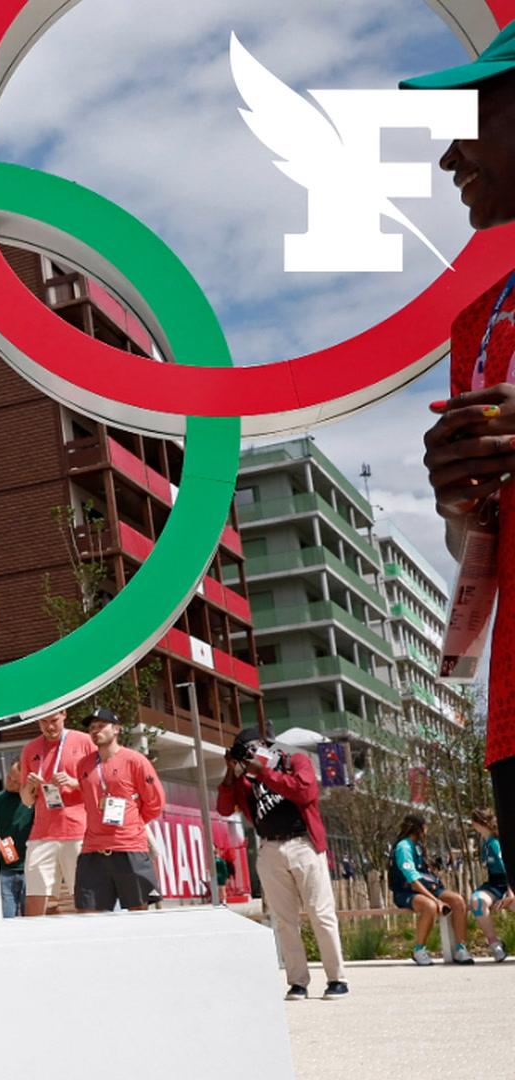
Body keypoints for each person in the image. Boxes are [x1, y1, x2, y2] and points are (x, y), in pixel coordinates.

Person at [407, 32, 515, 861]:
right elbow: (476, 538)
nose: (448, 155)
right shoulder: (476, 322)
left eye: (472, 115)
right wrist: (456, 504)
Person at [215, 732, 347, 1000]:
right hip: (271, 847)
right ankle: (298, 981)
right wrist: (231, 771)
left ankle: (337, 978)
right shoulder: (244, 782)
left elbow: (306, 791)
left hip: (303, 844)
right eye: (245, 753)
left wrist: (264, 773)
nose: (249, 756)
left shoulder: (294, 761)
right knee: (285, 921)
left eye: (252, 749)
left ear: (264, 746)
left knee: (321, 914)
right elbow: (224, 808)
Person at [74, 709, 165, 912]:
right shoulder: (83, 765)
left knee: (138, 910)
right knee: (88, 912)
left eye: (101, 726)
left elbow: (155, 802)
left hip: (129, 846)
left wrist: (131, 822)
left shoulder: (135, 760)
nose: (95, 731)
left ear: (116, 729)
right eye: (92, 728)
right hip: (93, 848)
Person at [16, 708, 95, 916]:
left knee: (85, 898)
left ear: (64, 714)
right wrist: (30, 786)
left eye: (54, 720)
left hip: (78, 831)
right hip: (42, 833)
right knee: (35, 900)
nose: (49, 727)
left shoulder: (84, 741)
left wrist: (74, 782)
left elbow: (100, 785)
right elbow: (26, 800)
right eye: (43, 722)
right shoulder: (30, 748)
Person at [389, 814, 476, 966]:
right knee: (429, 906)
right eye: (425, 827)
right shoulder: (403, 847)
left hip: (426, 888)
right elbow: (413, 880)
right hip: (406, 891)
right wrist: (437, 900)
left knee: (458, 900)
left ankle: (461, 948)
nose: (427, 830)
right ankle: (419, 950)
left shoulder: (417, 845)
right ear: (419, 828)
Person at [468, 809, 509, 962]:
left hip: (509, 883)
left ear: (478, 823)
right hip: (494, 884)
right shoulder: (485, 842)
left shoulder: (496, 844)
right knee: (477, 901)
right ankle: (495, 944)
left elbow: (508, 870)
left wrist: (510, 894)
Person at [0, 762, 34, 919]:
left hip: (29, 868)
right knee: (7, 917)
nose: (9, 782)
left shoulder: (35, 802)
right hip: (4, 868)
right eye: (9, 777)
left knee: (33, 919)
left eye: (15, 780)